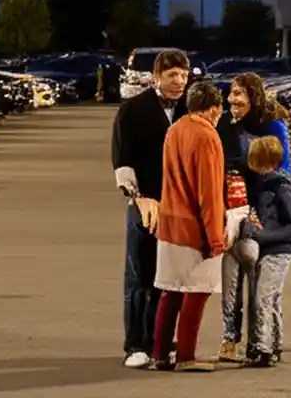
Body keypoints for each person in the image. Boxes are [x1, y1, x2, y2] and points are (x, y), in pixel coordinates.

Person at [111, 49, 190, 368]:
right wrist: (138, 197)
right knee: (139, 276)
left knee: (170, 279)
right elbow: (122, 159)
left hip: (180, 207)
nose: (179, 82)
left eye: (184, 75)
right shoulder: (133, 110)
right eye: (173, 75)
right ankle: (135, 345)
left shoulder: (190, 110)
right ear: (156, 77)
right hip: (145, 205)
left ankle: (162, 342)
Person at [149, 81, 227, 372]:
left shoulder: (175, 129)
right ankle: (185, 355)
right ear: (215, 108)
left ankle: (159, 353)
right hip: (193, 228)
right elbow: (209, 192)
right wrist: (215, 237)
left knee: (171, 290)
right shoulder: (207, 135)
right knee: (197, 290)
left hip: (169, 222)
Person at [217, 72, 291, 363]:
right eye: (232, 93)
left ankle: (264, 343)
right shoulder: (225, 122)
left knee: (261, 289)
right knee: (231, 283)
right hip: (233, 212)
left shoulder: (270, 126)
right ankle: (231, 339)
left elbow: (279, 170)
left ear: (254, 97)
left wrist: (265, 215)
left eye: (240, 94)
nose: (233, 99)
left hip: (261, 215)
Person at [235, 135, 291, 367]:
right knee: (271, 298)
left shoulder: (280, 186)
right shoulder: (266, 184)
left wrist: (258, 234)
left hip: (279, 249)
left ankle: (263, 348)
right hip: (272, 247)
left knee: (263, 297)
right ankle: (274, 345)